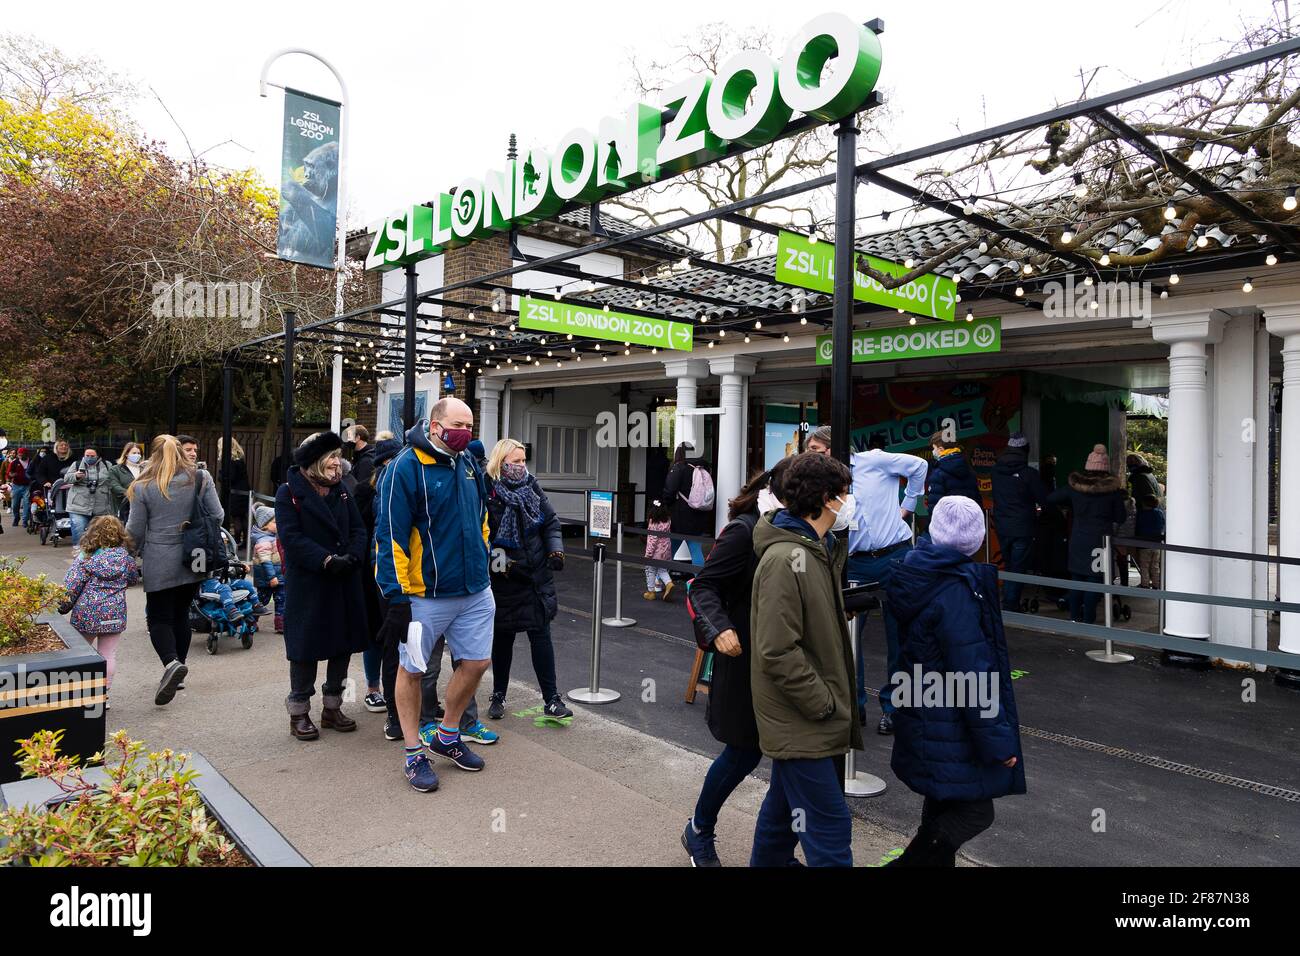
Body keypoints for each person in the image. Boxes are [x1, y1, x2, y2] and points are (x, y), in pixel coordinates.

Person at [884, 495, 1026, 866]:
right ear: (977, 540)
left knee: (942, 800)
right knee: (976, 812)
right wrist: (999, 743)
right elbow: (971, 675)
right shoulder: (956, 592)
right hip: (952, 722)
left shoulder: (916, 573)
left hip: (924, 711)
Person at [374, 400, 495, 793]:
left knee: (476, 663)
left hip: (474, 590)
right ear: (435, 425)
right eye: (458, 424)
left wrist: (482, 564)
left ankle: (447, 734)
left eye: (470, 425)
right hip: (424, 595)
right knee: (413, 670)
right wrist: (395, 596)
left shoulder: (468, 464)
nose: (465, 431)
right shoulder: (404, 468)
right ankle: (413, 753)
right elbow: (390, 534)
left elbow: (481, 520)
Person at [749, 452, 860, 867]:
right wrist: (824, 704)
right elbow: (777, 649)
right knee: (829, 829)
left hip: (806, 719)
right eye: (846, 493)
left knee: (782, 820)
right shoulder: (785, 559)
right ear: (828, 498)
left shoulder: (816, 549)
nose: (850, 502)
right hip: (803, 718)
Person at [682, 459, 789, 867]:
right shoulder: (745, 530)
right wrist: (720, 629)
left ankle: (776, 851)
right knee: (743, 753)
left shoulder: (808, 533)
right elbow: (704, 585)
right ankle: (699, 830)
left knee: (793, 758)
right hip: (744, 658)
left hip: (790, 662)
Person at [275, 432, 368, 741]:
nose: (336, 462)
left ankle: (332, 708)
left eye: (337, 456)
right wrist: (326, 560)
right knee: (305, 649)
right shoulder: (288, 492)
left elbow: (358, 528)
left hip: (343, 579)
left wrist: (352, 555)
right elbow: (292, 538)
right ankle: (299, 712)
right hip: (311, 582)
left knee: (341, 646)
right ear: (314, 461)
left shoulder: (341, 490)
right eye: (330, 456)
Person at [125, 435, 224, 705]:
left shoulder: (142, 486)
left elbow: (134, 530)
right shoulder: (201, 478)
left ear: (152, 455)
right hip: (195, 556)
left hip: (160, 556)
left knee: (158, 617)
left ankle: (170, 664)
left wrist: (127, 556)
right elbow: (218, 516)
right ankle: (178, 670)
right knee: (182, 613)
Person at [482, 438, 572, 724]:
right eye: (516, 461)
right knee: (503, 639)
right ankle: (498, 695)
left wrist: (555, 549)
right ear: (501, 461)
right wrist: (504, 565)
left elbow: (550, 522)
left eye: (523, 461)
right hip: (506, 579)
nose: (522, 466)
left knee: (541, 636)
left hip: (535, 576)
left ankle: (552, 700)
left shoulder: (531, 486)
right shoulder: (487, 489)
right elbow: (481, 536)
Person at [847, 433, 928, 735]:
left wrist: (908, 505)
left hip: (894, 556)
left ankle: (895, 707)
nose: (813, 454)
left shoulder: (874, 460)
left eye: (817, 448)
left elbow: (919, 465)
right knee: (850, 636)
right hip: (855, 561)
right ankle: (854, 706)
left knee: (900, 634)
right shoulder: (823, 478)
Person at [58, 515, 141, 710]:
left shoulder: (85, 558)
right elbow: (132, 580)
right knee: (108, 654)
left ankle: (83, 692)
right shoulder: (126, 559)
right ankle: (103, 694)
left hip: (86, 612)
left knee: (81, 653)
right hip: (114, 612)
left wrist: (62, 605)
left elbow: (72, 584)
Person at [354, 437, 404, 740]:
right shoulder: (367, 490)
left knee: (395, 639)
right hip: (374, 571)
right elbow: (362, 530)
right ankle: (375, 689)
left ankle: (398, 697)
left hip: (388, 569)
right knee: (379, 634)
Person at [1047, 444, 1127, 624]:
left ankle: (1074, 617)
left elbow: (1051, 498)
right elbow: (1120, 517)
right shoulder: (1112, 491)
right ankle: (1089, 619)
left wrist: (1070, 506)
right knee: (1095, 581)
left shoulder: (1075, 487)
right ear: (1105, 468)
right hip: (1101, 541)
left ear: (1088, 466)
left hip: (1078, 539)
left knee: (1077, 578)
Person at [990, 433, 1047, 612]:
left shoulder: (995, 471)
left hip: (1001, 525)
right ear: (1025, 451)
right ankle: (1010, 605)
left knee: (1009, 565)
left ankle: (1008, 601)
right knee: (1018, 567)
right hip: (1023, 526)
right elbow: (1043, 498)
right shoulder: (1029, 474)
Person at [662, 442, 712, 567]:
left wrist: (666, 504)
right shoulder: (703, 468)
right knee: (695, 550)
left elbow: (670, 491)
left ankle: (660, 580)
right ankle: (699, 583)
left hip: (680, 516)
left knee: (670, 549)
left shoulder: (679, 468)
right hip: (699, 514)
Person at [66, 448, 115, 546]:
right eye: (87, 455)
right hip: (78, 506)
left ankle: (98, 558)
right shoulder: (76, 464)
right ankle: (80, 557)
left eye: (92, 456)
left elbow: (113, 479)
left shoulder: (107, 464)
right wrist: (76, 476)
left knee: (102, 535)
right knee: (79, 532)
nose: (89, 458)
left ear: (98, 456)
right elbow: (67, 478)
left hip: (101, 506)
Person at [925, 431, 983, 512]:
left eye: (934, 448)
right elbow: (977, 502)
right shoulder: (968, 469)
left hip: (947, 522)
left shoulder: (938, 473)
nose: (932, 452)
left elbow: (935, 508)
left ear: (941, 449)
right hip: (968, 521)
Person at [249, 505, 286, 633]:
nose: (278, 524)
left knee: (281, 599)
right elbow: (266, 561)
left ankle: (280, 624)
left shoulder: (272, 538)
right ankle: (251, 620)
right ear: (264, 525)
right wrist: (272, 577)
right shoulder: (263, 541)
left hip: (278, 577)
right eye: (275, 522)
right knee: (262, 600)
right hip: (268, 579)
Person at [217, 437, 250, 545]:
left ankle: (236, 541)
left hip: (235, 492)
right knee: (243, 516)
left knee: (236, 518)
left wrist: (221, 475)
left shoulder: (229, 461)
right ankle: (245, 541)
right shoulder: (240, 459)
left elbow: (230, 478)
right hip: (244, 490)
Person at [642, 499, 674, 600]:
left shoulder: (653, 522)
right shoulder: (668, 520)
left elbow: (652, 540)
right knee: (662, 569)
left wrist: (648, 554)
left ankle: (650, 592)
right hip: (666, 551)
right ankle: (669, 583)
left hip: (655, 552)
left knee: (650, 570)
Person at [1133, 494, 1165, 589]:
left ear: (1144, 503)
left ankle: (1145, 584)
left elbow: (1137, 527)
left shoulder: (1141, 514)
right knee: (1155, 566)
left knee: (1144, 566)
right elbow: (1162, 524)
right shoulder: (1159, 512)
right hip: (1156, 543)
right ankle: (1157, 584)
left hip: (1144, 544)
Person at [107, 442, 144, 522]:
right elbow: (114, 486)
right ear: (126, 454)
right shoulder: (115, 469)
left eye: (139, 453)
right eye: (134, 453)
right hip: (123, 508)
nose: (137, 455)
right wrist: (130, 494)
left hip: (142, 508)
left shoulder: (145, 470)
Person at [7, 447, 30, 529]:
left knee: (26, 503)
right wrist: (11, 475)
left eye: (21, 454)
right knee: (15, 504)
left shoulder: (31, 462)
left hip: (27, 486)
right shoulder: (14, 462)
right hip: (16, 485)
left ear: (26, 454)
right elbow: (8, 473)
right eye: (19, 454)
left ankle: (25, 521)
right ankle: (16, 518)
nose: (20, 456)